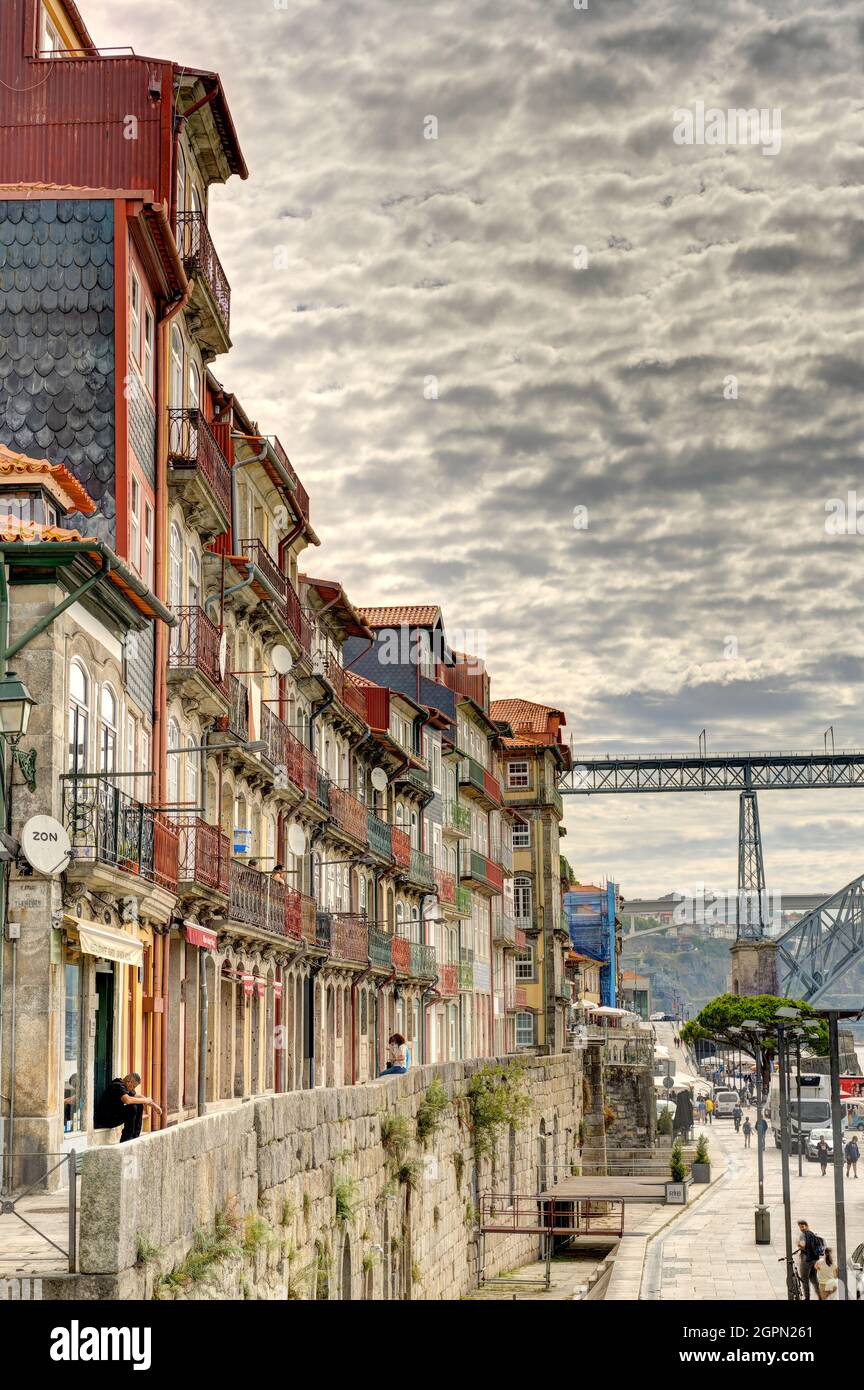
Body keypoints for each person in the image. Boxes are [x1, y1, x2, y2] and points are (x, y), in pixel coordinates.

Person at [94, 1073, 161, 1143]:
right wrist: (145, 1100)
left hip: (113, 1116)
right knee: (131, 1108)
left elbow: (138, 1096)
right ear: (129, 1082)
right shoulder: (117, 1086)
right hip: (105, 1120)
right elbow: (127, 1100)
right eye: (133, 1086)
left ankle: (135, 1136)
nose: (133, 1089)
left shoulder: (125, 1086)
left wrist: (154, 1106)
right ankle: (126, 1139)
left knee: (139, 1105)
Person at [796, 1221, 825, 1301]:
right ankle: (820, 1296)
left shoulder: (803, 1234)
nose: (801, 1229)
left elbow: (803, 1245)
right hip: (814, 1259)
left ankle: (807, 1297)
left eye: (802, 1226)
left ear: (806, 1226)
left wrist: (798, 1244)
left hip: (806, 1259)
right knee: (814, 1279)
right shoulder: (812, 1234)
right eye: (800, 1227)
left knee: (804, 1279)